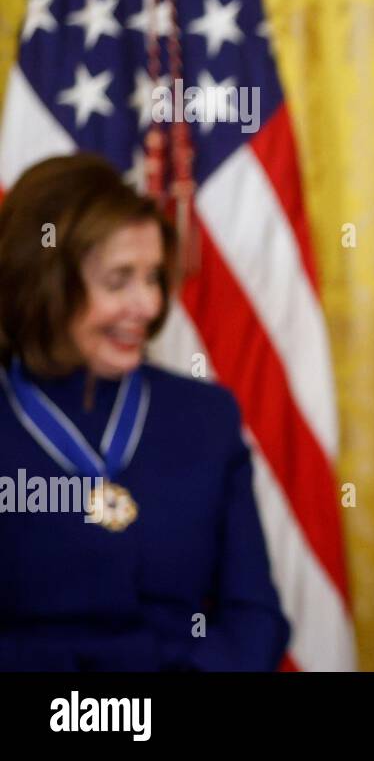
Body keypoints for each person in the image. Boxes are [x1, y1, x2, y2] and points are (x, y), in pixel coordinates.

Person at [0, 153, 289, 670]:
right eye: (119, 281)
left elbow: (254, 617)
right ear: (43, 282)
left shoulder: (206, 417)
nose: (150, 305)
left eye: (153, 277)